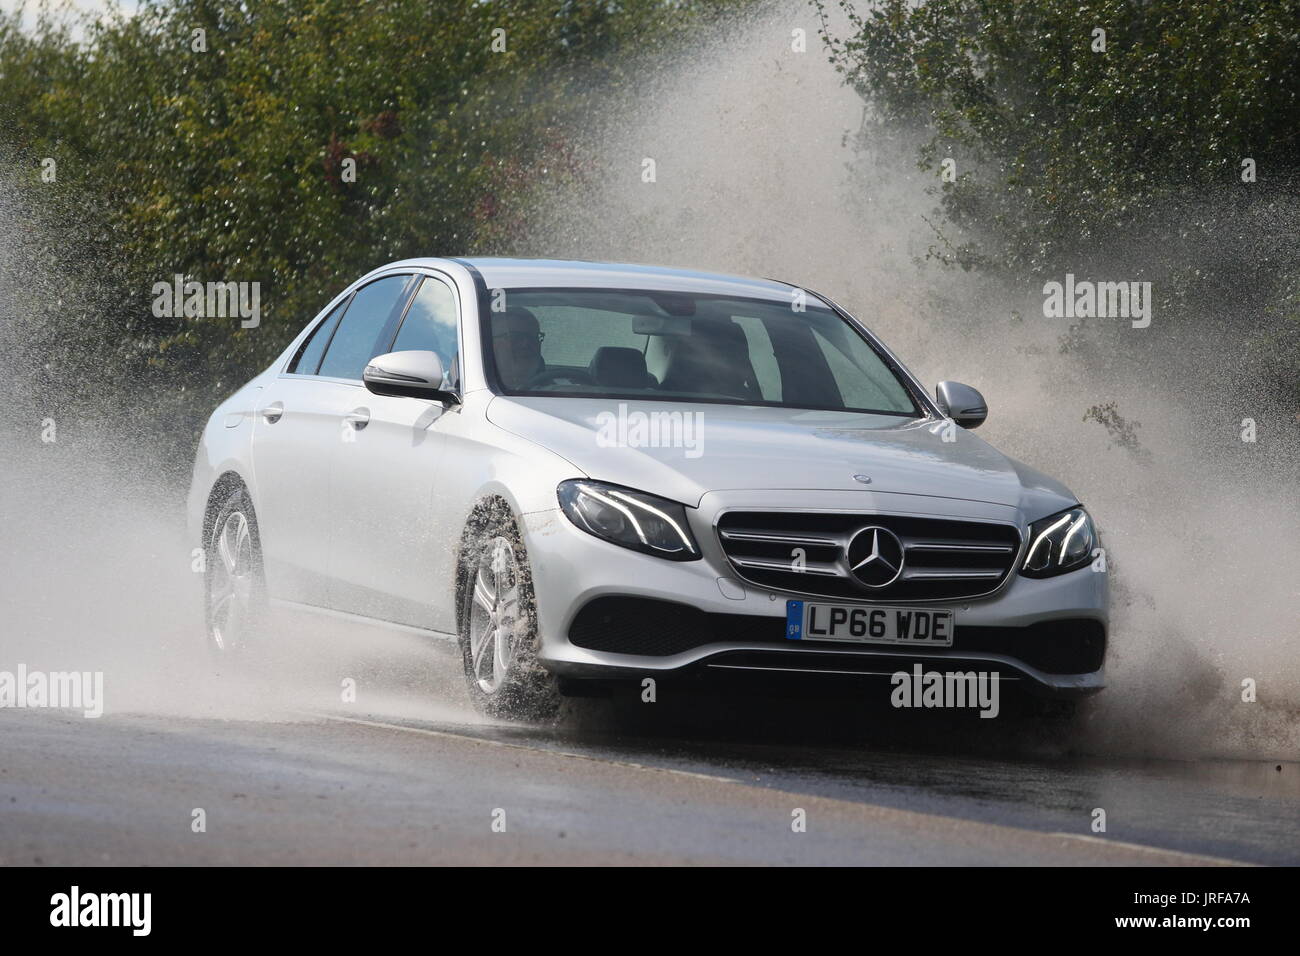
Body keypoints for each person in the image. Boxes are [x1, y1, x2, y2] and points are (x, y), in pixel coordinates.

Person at [491, 306, 546, 388]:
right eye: (515, 337)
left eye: (533, 337)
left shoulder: (556, 389)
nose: (525, 344)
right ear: (493, 344)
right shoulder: (477, 390)